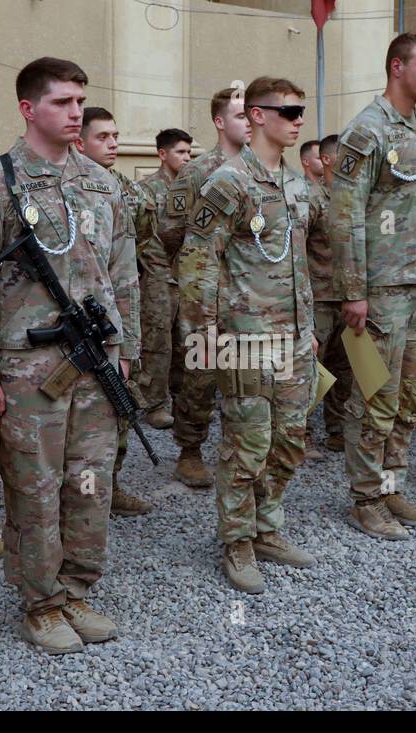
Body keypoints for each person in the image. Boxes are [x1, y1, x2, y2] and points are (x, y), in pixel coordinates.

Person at [0, 57, 139, 655]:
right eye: (62, 102)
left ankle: (77, 588)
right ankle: (41, 603)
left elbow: (123, 272)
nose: (76, 112)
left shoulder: (102, 183)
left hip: (96, 362)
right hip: (30, 368)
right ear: (29, 109)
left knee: (90, 483)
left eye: (80, 100)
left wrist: (125, 346)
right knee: (34, 486)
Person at [177, 76, 320, 593]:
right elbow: (198, 261)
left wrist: (309, 329)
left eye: (301, 111)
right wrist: (204, 335)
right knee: (247, 445)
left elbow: (300, 263)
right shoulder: (228, 183)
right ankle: (237, 541)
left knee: (291, 440)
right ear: (257, 115)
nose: (298, 120)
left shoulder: (297, 184)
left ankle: (266, 527)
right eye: (289, 111)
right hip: (245, 338)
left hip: (294, 338)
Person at [329, 32, 416, 540]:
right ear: (397, 67)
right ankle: (366, 499)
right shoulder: (367, 131)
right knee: (375, 394)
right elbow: (345, 215)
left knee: (411, 398)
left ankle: (392, 485)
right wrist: (354, 289)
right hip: (380, 289)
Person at [159, 88, 251, 490]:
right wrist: (199, 275)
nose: (249, 122)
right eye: (240, 115)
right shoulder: (196, 173)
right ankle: (190, 450)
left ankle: (241, 451)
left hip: (251, 298)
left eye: (252, 114)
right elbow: (170, 232)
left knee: (248, 378)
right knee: (199, 376)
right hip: (208, 296)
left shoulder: (263, 169)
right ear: (219, 122)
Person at [77, 106, 158, 516]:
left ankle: (110, 483)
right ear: (80, 142)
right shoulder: (67, 187)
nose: (113, 144)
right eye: (102, 137)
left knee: (118, 397)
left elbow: (141, 237)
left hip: (117, 299)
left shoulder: (122, 188)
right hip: (77, 313)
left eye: (115, 136)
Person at [137, 127, 193, 428]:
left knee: (185, 341)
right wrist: (159, 271)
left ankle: (182, 399)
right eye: (180, 152)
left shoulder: (192, 189)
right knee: (158, 341)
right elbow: (144, 238)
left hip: (186, 275)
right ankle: (154, 403)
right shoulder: (145, 190)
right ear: (162, 154)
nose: (187, 158)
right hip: (157, 276)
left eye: (189, 152)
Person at [307, 133, 351, 454]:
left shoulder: (354, 198)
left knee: (344, 369)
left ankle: (338, 429)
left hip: (348, 298)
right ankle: (300, 432)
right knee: (313, 368)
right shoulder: (311, 198)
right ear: (326, 159)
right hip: (319, 297)